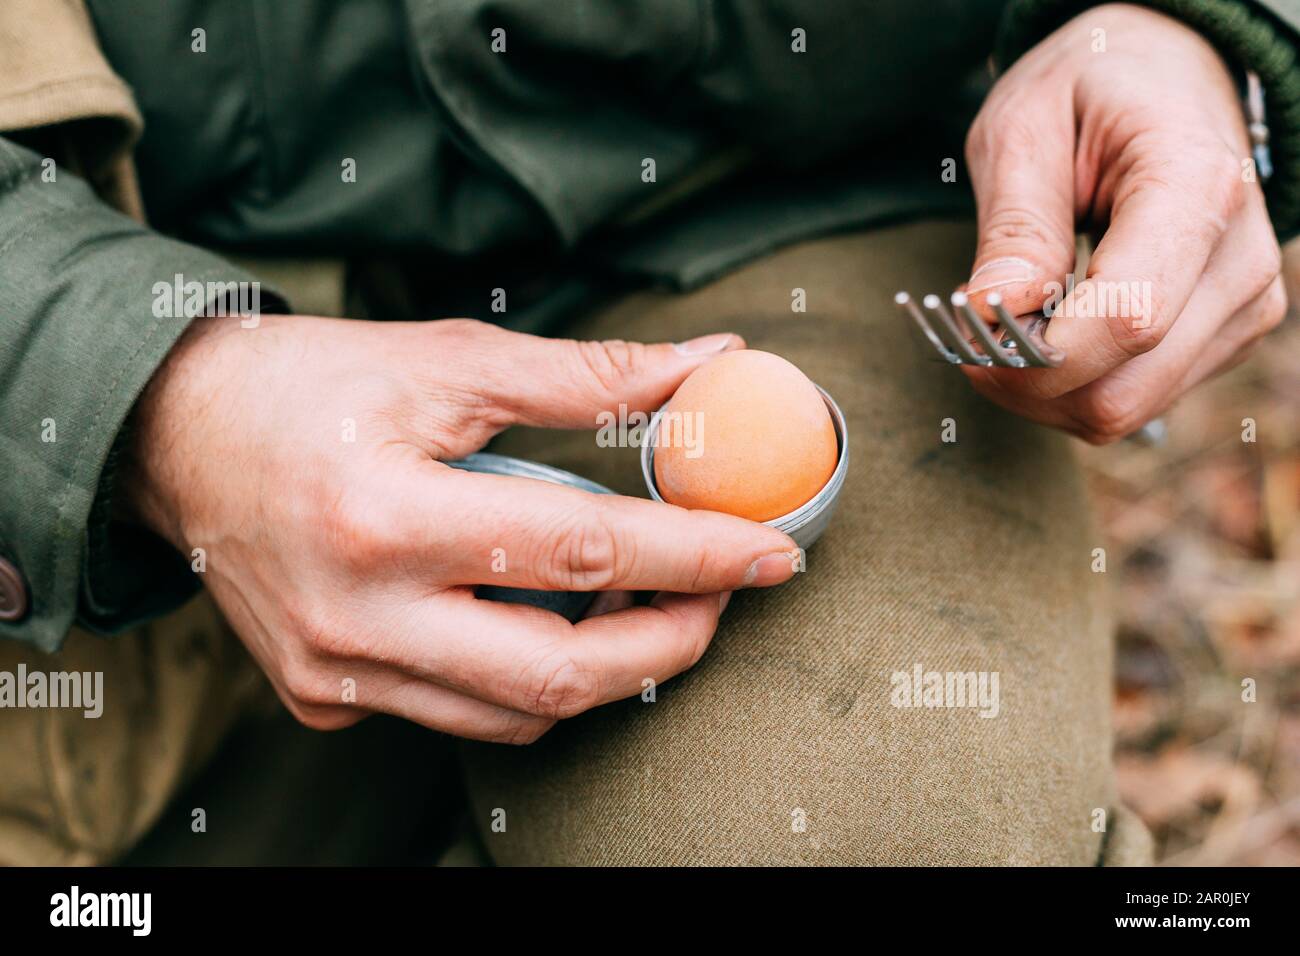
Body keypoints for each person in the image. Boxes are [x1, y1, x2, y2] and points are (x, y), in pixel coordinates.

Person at [0, 0, 1293, 865]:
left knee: (848, 823)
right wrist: (152, 394)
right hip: (123, 261)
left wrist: (1187, 28)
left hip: (777, 211)